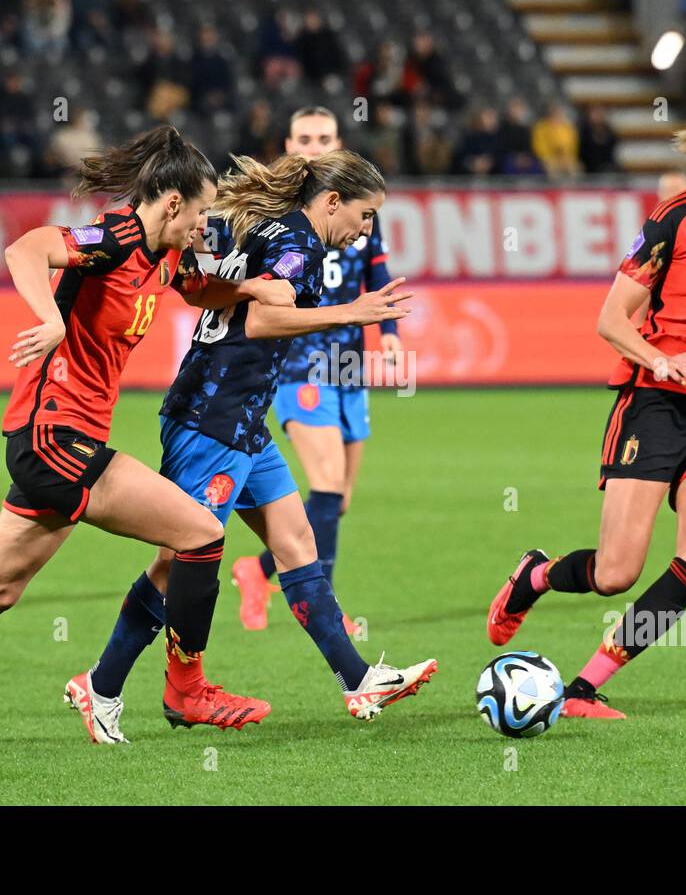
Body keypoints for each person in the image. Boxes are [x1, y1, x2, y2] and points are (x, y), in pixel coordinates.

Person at [0, 127, 293, 749]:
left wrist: (249, 289)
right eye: (203, 209)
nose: (206, 222)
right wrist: (50, 319)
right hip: (54, 434)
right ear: (174, 203)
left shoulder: (169, 252)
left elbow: (196, 290)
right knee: (203, 533)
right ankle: (186, 688)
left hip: (58, 440)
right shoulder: (117, 235)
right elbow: (26, 250)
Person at [67, 150, 437, 741]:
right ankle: (104, 684)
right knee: (177, 560)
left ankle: (357, 678)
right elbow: (264, 322)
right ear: (334, 202)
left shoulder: (271, 228)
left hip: (241, 418)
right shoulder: (302, 245)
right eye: (365, 217)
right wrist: (356, 313)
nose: (366, 231)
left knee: (295, 539)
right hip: (212, 419)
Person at [486, 87, 686, 719]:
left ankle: (583, 687)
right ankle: (536, 576)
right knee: (616, 573)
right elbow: (610, 320)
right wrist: (661, 360)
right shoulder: (675, 217)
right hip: (655, 400)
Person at [231, 106, 402, 634]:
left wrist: (390, 338)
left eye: (324, 137)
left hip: (347, 361)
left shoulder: (355, 208)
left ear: (338, 141)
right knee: (325, 486)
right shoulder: (279, 215)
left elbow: (377, 268)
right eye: (303, 137)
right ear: (287, 142)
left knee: (339, 500)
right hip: (302, 363)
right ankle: (327, 611)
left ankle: (256, 570)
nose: (314, 145)